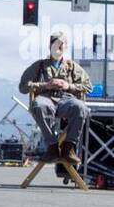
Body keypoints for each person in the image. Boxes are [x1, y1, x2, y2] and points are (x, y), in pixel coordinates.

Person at [19, 31, 92, 165]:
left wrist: (68, 86)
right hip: (45, 97)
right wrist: (45, 85)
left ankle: (68, 148)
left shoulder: (72, 67)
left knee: (80, 108)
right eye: (56, 43)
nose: (59, 46)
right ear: (50, 46)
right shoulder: (39, 66)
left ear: (66, 47)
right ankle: (52, 146)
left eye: (62, 44)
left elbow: (88, 86)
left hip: (66, 99)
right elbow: (23, 86)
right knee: (40, 106)